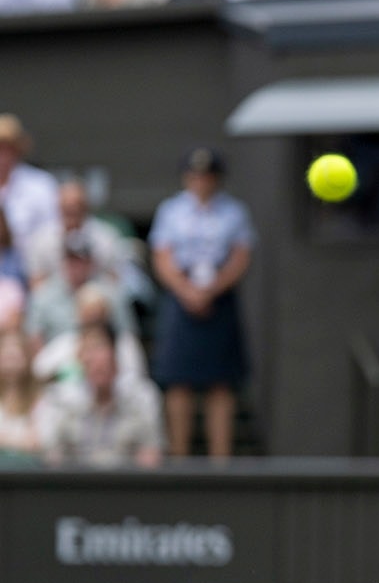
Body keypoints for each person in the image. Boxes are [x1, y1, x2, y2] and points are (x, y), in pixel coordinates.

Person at [149, 147, 256, 460]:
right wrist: (186, 291)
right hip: (181, 300)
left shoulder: (234, 213)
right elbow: (162, 256)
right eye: (195, 175)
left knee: (220, 383)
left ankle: (219, 462)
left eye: (207, 175)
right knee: (178, 381)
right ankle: (180, 459)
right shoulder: (170, 211)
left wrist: (212, 290)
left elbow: (241, 256)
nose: (201, 181)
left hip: (219, 301)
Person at [39, 321, 163, 469]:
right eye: (88, 351)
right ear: (79, 359)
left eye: (100, 348)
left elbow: (152, 452)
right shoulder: (59, 398)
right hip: (74, 484)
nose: (95, 359)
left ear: (116, 356)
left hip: (126, 483)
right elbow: (51, 453)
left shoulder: (143, 396)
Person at [0, 113, 60, 262]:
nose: (2, 155)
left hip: (31, 269)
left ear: (18, 150)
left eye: (8, 149)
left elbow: (53, 235)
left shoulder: (41, 185)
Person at [0, 328, 43, 465]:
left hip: (26, 473)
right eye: (6, 357)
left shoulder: (39, 398)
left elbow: (35, 443)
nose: (10, 364)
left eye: (15, 357)